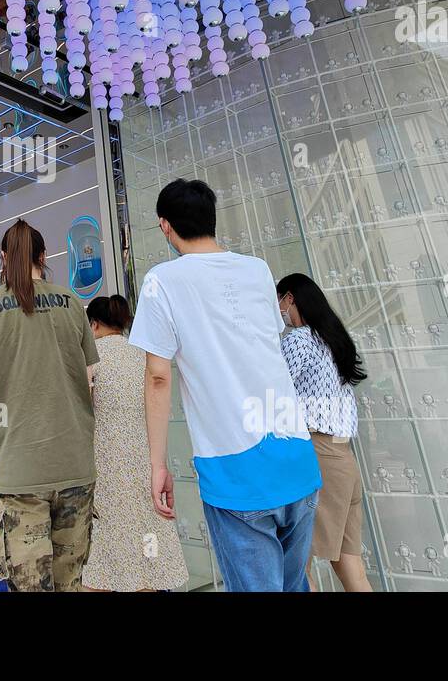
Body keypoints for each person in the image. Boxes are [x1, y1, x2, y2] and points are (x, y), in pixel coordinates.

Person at [129, 179, 321, 592]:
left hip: (236, 471)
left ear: (165, 227)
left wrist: (157, 464)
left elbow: (159, 376)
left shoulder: (161, 281)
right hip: (297, 459)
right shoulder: (257, 269)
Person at [0, 218, 98, 592]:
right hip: (75, 463)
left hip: (19, 468)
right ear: (44, 256)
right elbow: (88, 379)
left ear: (4, 258)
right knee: (70, 583)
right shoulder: (71, 301)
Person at [81, 294, 189, 592]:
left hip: (105, 468)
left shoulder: (90, 357)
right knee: (146, 553)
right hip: (145, 466)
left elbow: (81, 410)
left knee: (99, 560)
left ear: (94, 324)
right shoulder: (143, 355)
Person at [276, 273, 370, 592]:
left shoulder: (300, 339)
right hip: (344, 459)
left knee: (297, 562)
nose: (278, 311)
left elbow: (275, 389)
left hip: (319, 456)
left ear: (290, 298)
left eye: (279, 302)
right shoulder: (333, 339)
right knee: (350, 565)